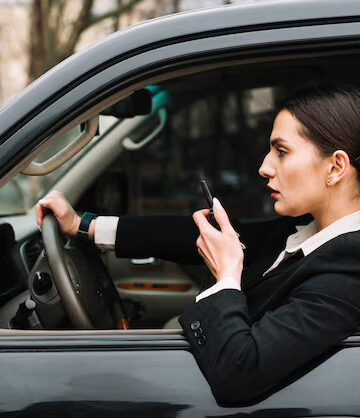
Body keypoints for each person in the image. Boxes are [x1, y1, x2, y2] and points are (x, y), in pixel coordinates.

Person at [36, 85, 360, 405]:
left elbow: (241, 373)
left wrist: (226, 278)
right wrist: (83, 226)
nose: (264, 167)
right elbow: (203, 236)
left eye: (281, 151)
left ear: (335, 167)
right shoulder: (307, 228)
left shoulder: (349, 269)